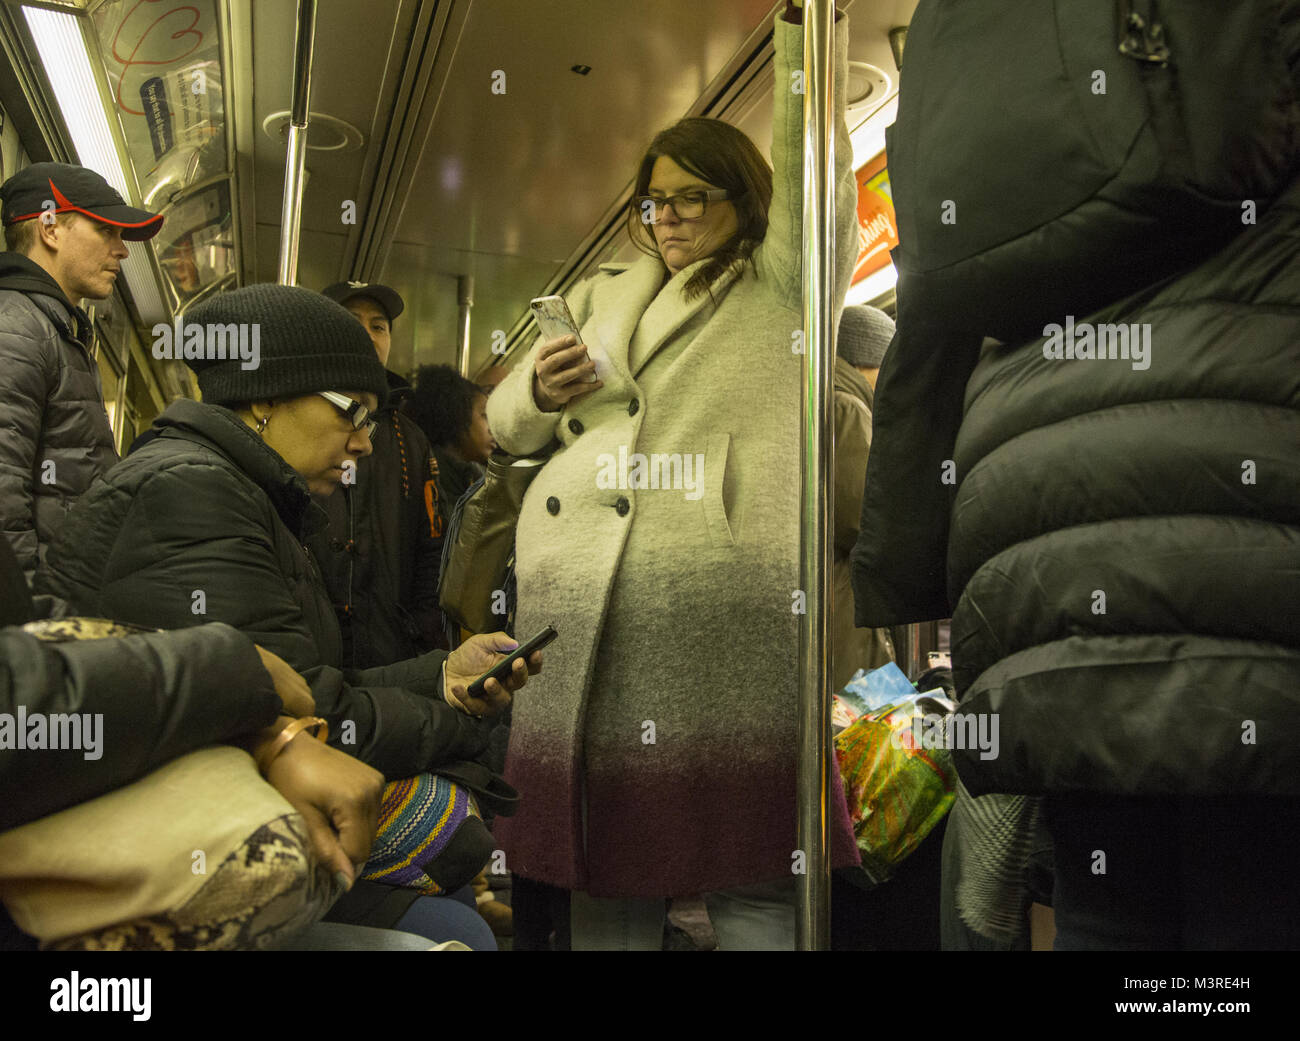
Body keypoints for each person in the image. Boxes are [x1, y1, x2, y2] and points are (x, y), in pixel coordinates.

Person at [851, 2, 1300, 949]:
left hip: (1036, 572)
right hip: (1257, 541)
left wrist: (905, 566)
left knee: (1113, 905)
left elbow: (926, 338)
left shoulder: (971, 38)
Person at [484, 2, 859, 950]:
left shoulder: (781, 282)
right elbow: (503, 425)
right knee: (606, 877)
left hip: (713, 601)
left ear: (747, 197)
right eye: (655, 201)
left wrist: (807, 37)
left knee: (756, 869)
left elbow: (819, 184)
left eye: (694, 196)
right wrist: (539, 387)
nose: (670, 217)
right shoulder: (601, 293)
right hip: (584, 606)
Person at [36, 284, 542, 947]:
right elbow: (297, 714)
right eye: (350, 412)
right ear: (264, 398)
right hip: (155, 854)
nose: (364, 443)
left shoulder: (243, 492)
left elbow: (303, 681)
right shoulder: (193, 494)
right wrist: (463, 722)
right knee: (454, 931)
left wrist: (443, 677)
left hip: (209, 813)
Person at [0, 162, 162, 580]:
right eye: (106, 231)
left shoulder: (59, 332)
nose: (122, 250)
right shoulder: (16, 329)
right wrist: (32, 609)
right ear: (50, 229)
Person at [309, 280, 445, 667]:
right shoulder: (296, 418)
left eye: (378, 326)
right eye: (351, 321)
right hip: (308, 650)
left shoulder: (409, 438)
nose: (368, 335)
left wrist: (423, 642)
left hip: (390, 653)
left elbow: (431, 549)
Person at [831, 304, 894, 692]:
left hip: (834, 605)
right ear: (866, 362)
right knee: (863, 722)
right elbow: (865, 518)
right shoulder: (848, 408)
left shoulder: (826, 400)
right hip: (844, 610)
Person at [408, 363, 497, 536]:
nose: (493, 428)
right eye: (485, 416)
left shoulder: (475, 478)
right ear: (457, 414)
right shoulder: (431, 482)